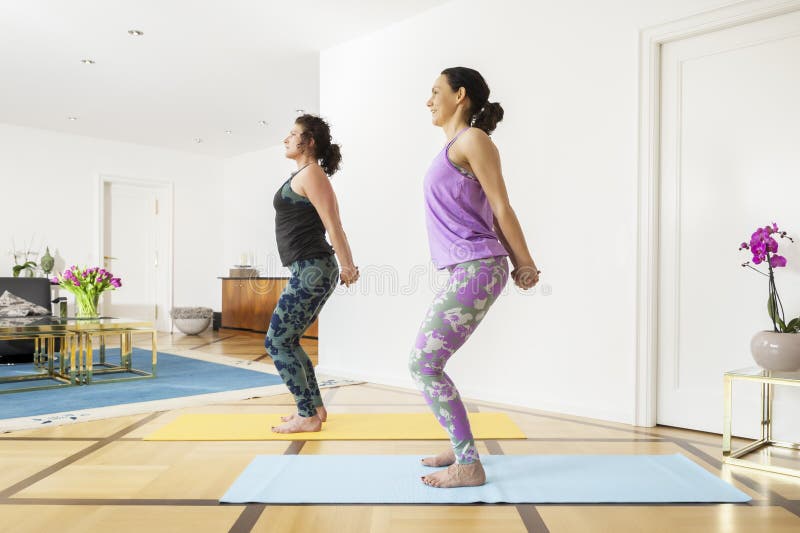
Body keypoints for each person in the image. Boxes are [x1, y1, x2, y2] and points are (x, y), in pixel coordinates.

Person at [410, 67, 540, 487]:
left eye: (435, 92)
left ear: (459, 95)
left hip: (480, 266)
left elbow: (502, 207)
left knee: (424, 363)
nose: (428, 100)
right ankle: (458, 442)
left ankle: (468, 465)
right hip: (464, 268)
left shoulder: (473, 140)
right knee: (430, 362)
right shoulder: (452, 147)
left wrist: (525, 262)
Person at [266, 114, 359, 434]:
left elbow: (334, 223)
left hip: (313, 269)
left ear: (310, 142)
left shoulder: (313, 174)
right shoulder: (304, 174)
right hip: (307, 268)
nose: (286, 139)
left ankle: (306, 415)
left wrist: (348, 265)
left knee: (277, 342)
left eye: (293, 134)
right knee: (288, 340)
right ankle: (315, 408)